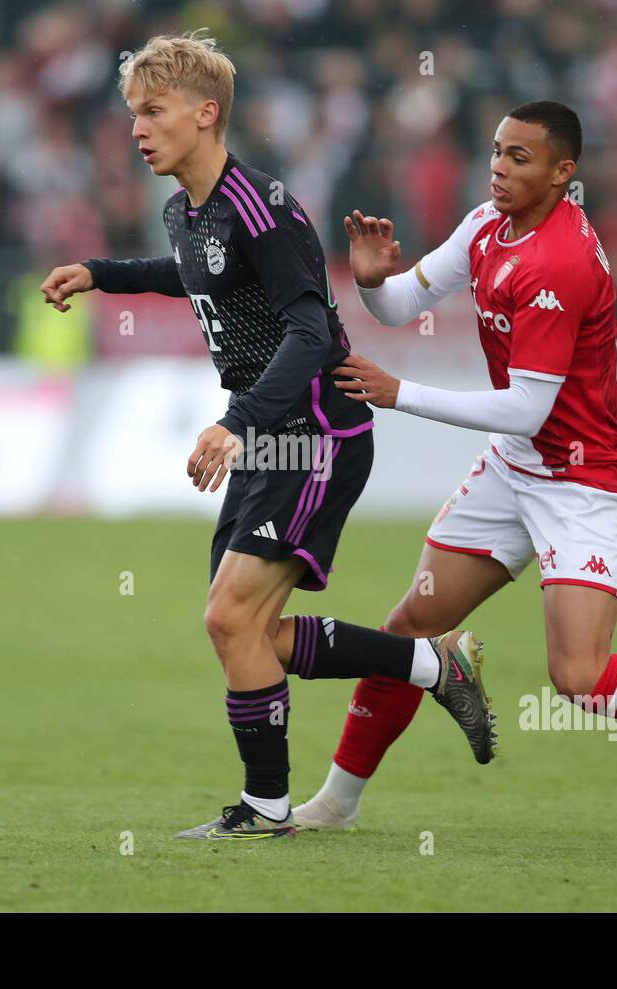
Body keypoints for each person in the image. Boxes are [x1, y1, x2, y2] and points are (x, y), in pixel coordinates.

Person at [293, 100, 617, 844]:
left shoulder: (560, 262)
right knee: (412, 624)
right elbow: (404, 300)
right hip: (517, 469)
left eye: (520, 159)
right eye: (498, 153)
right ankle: (338, 800)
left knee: (579, 678)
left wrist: (398, 394)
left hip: (585, 480)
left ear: (562, 173)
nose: (500, 169)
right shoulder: (486, 226)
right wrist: (374, 280)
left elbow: (526, 408)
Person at [40, 31, 495, 841]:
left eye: (154, 111)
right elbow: (194, 273)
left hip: (314, 425)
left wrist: (235, 422)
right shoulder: (187, 208)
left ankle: (266, 809)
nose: (138, 129)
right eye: (133, 114)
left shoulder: (264, 207)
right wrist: (100, 274)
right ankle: (433, 665)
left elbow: (314, 332)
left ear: (206, 113)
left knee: (230, 619)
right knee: (245, 630)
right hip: (269, 429)